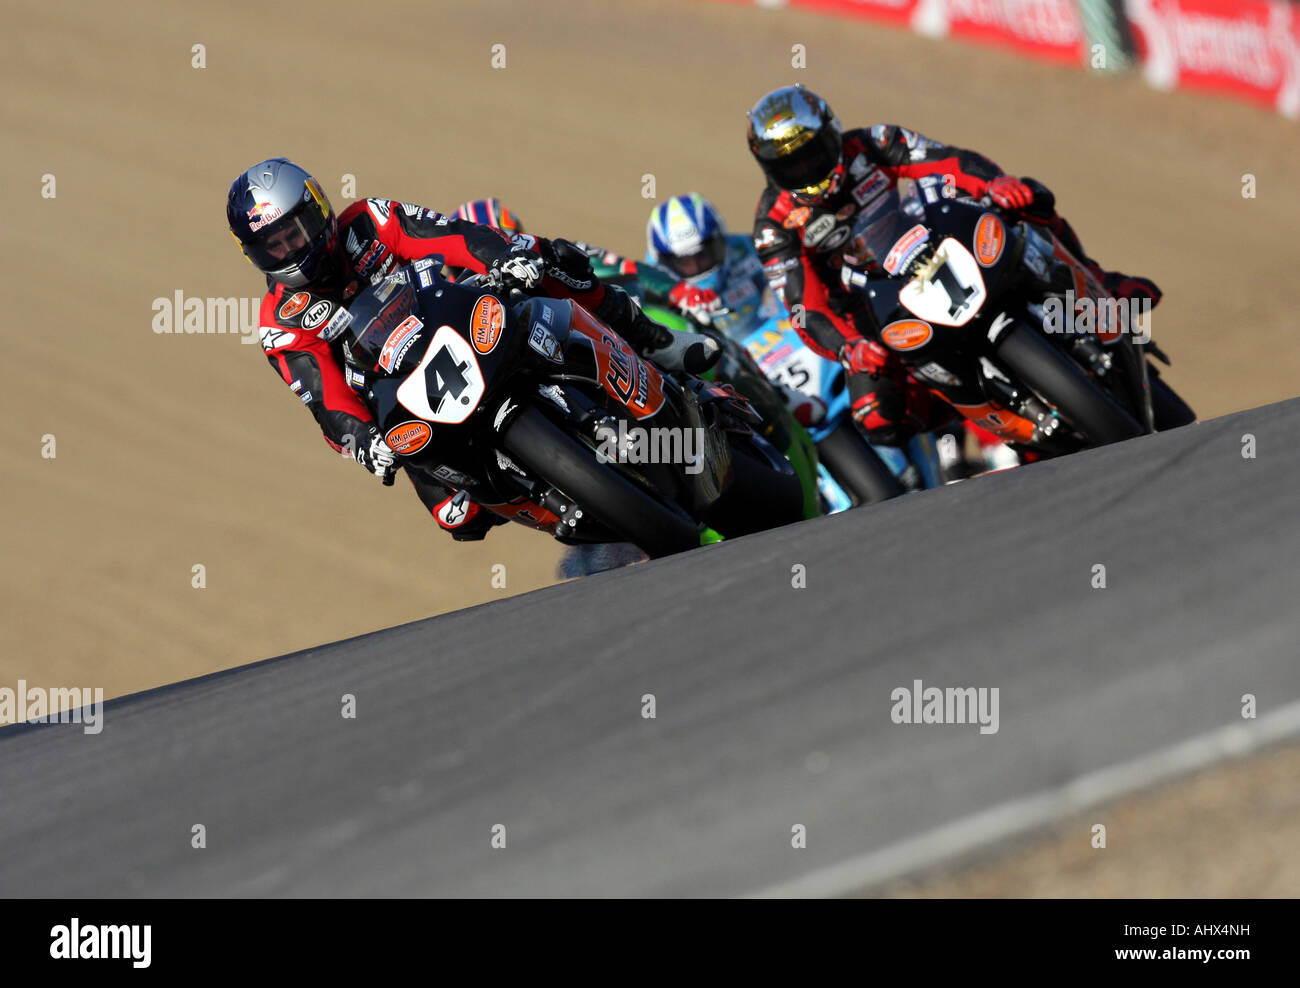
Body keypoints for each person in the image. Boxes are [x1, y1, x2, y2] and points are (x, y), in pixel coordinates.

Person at [226, 159, 717, 541]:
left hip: (458, 318)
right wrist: (362, 442)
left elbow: (452, 235)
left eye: (295, 230)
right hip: (402, 395)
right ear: (256, 255)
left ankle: (657, 341)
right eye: (274, 245)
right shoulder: (280, 322)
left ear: (319, 210)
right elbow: (325, 398)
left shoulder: (369, 222)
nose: (291, 249)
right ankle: (563, 506)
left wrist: (505, 258)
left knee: (554, 261)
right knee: (456, 517)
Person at [746, 84, 1160, 446]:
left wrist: (994, 184)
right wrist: (849, 347)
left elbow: (949, 162)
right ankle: (975, 419)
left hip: (933, 246)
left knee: (1029, 199)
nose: (805, 170)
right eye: (790, 165)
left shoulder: (873, 142)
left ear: (831, 135)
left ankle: (1103, 283)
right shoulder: (774, 224)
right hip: (875, 309)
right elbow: (804, 307)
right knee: (878, 418)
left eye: (811, 156)